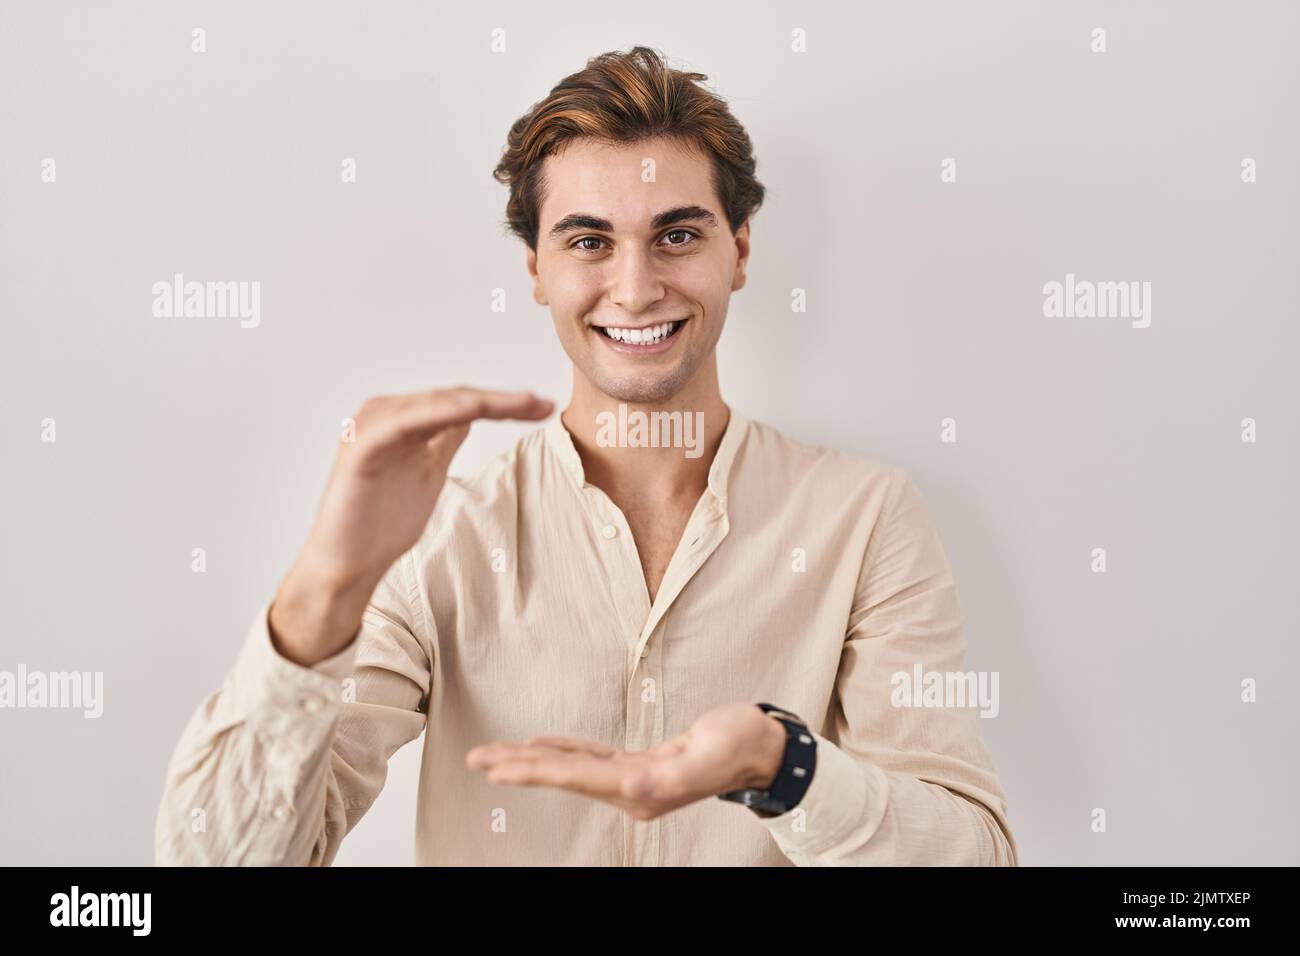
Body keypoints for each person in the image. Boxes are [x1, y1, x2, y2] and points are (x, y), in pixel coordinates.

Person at [154, 45, 1018, 866]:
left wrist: (780, 764)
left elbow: (974, 854)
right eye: (589, 241)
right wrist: (326, 586)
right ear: (536, 266)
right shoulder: (436, 536)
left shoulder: (863, 517)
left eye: (678, 234)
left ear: (740, 251)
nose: (636, 288)